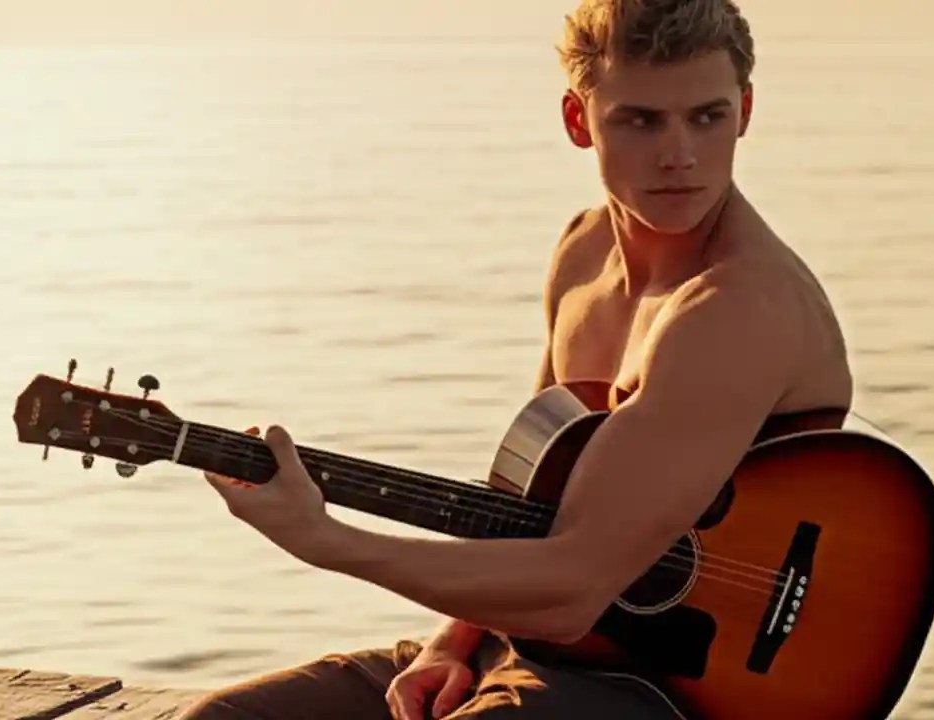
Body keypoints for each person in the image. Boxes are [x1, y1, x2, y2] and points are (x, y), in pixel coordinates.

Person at [184, 0, 854, 717]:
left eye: (707, 117)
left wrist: (325, 540)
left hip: (671, 687)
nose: (679, 154)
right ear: (578, 120)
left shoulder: (737, 309)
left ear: (744, 111)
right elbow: (525, 503)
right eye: (640, 121)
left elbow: (572, 591)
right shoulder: (584, 254)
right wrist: (451, 643)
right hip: (534, 646)